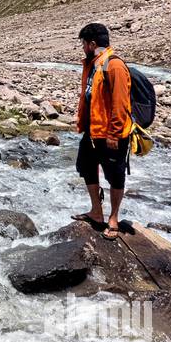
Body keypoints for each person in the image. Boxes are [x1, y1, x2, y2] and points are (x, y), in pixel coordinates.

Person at [73, 22, 132, 239]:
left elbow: (121, 103)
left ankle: (113, 218)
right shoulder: (94, 64)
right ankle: (96, 212)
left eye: (84, 44)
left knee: (115, 176)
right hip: (92, 131)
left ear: (92, 44)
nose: (82, 48)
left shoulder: (113, 65)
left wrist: (114, 134)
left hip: (110, 135)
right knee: (86, 167)